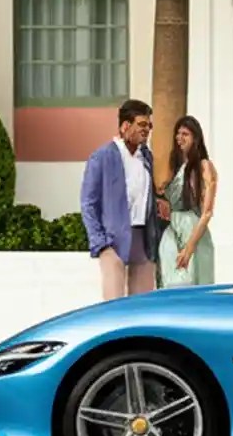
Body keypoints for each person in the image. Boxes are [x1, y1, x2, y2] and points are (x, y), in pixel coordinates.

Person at [79, 99, 167, 300]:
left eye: (149, 125)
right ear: (125, 126)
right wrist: (101, 244)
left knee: (142, 307)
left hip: (143, 239)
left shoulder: (146, 157)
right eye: (142, 125)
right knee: (114, 307)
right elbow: (88, 203)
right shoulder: (102, 157)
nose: (147, 130)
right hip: (113, 240)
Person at [157, 115, 218, 288]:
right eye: (178, 134)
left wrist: (189, 247)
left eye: (185, 134)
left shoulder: (204, 165)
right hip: (172, 231)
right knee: (170, 284)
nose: (179, 138)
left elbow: (207, 212)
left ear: (195, 138)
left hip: (193, 232)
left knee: (194, 285)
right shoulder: (177, 165)